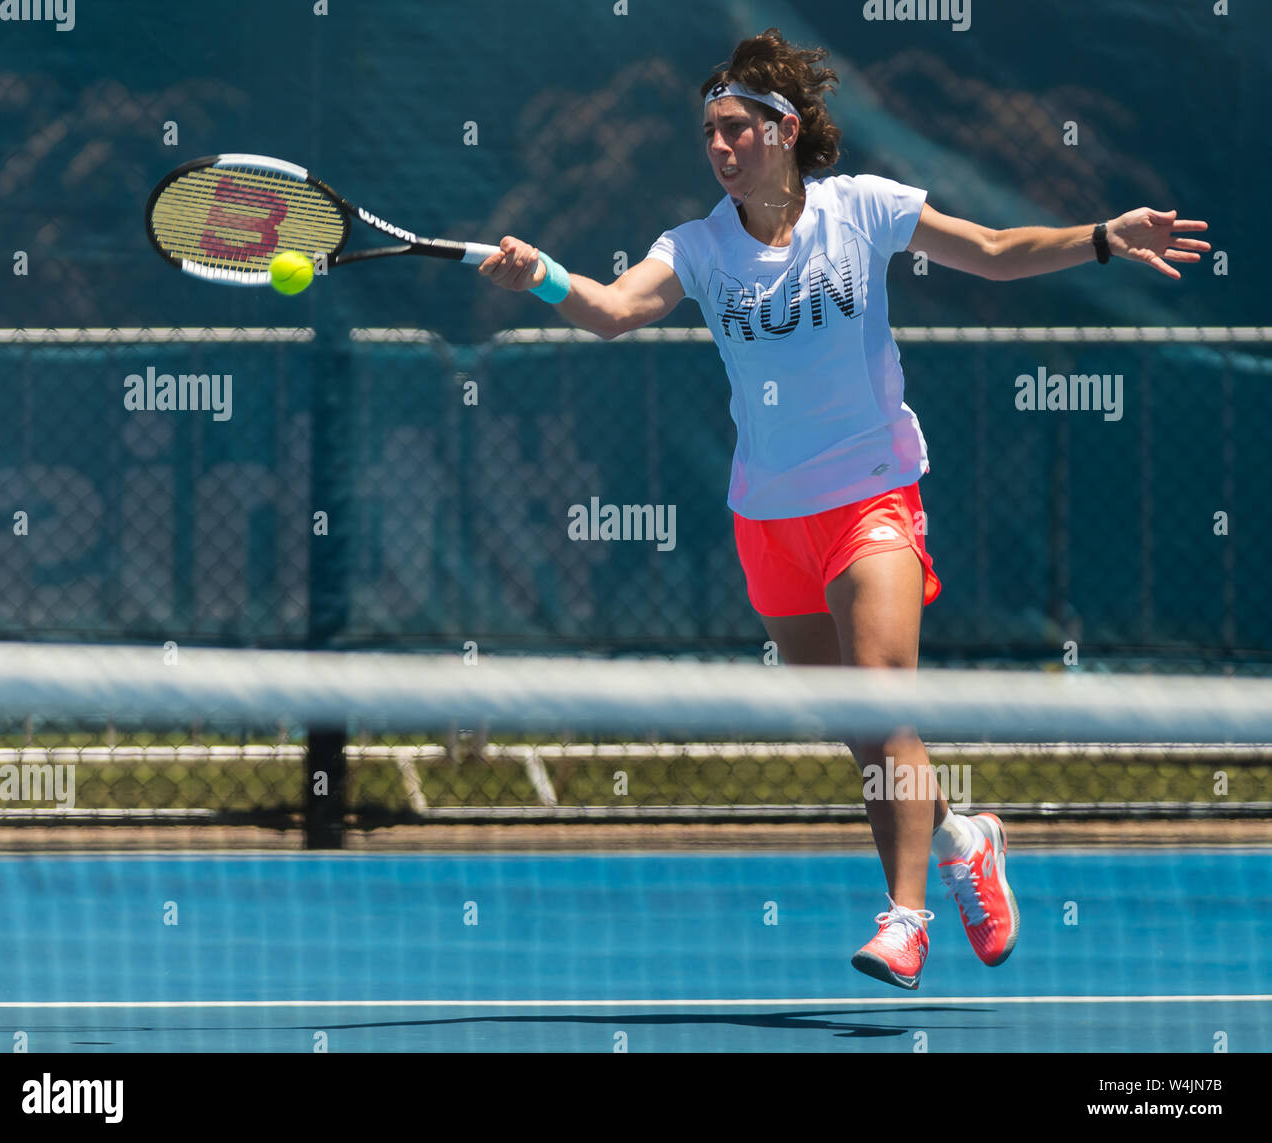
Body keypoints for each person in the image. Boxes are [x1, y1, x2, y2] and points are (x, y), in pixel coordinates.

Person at [479, 28, 1209, 989]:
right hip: (769, 520)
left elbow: (990, 249)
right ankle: (963, 836)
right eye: (709, 133)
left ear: (783, 128)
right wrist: (538, 274)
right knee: (863, 735)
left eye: (735, 127)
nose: (719, 146)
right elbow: (613, 309)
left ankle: (905, 916)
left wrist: (1104, 237)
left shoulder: (862, 211)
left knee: (878, 701)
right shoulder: (695, 246)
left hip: (873, 495)